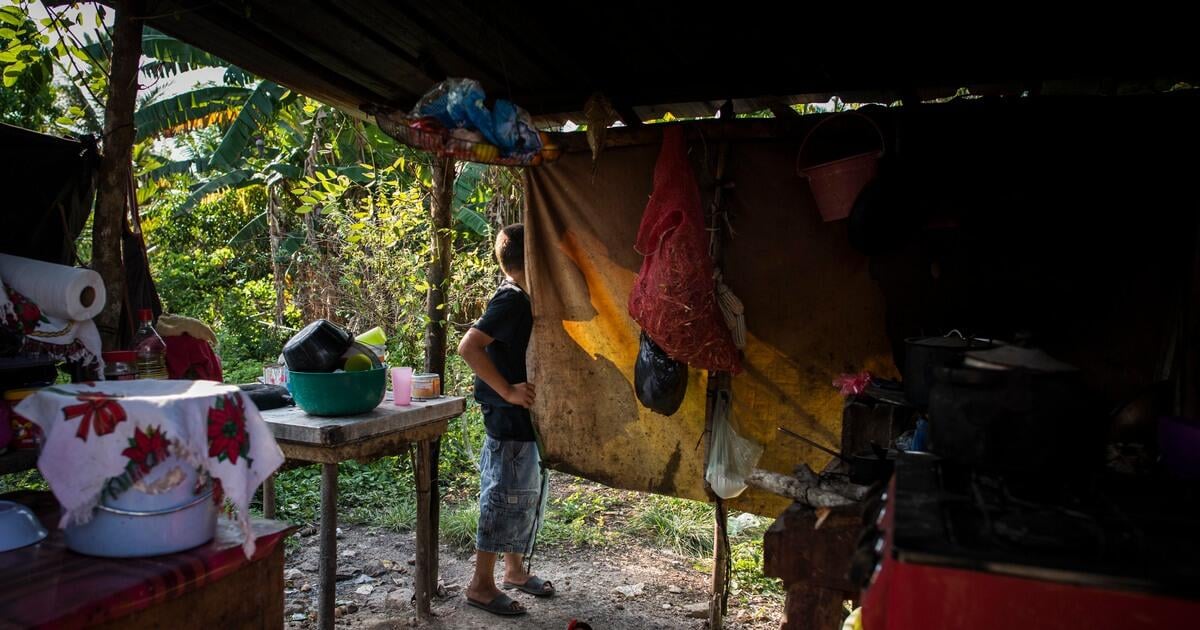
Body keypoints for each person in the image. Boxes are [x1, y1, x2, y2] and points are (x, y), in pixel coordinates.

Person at [458, 223, 554, 617]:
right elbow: (469, 346)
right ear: (532, 259)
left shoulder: (524, 298)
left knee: (524, 497)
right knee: (502, 498)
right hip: (507, 418)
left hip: (522, 421)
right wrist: (509, 391)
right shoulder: (512, 300)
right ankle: (481, 584)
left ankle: (514, 570)